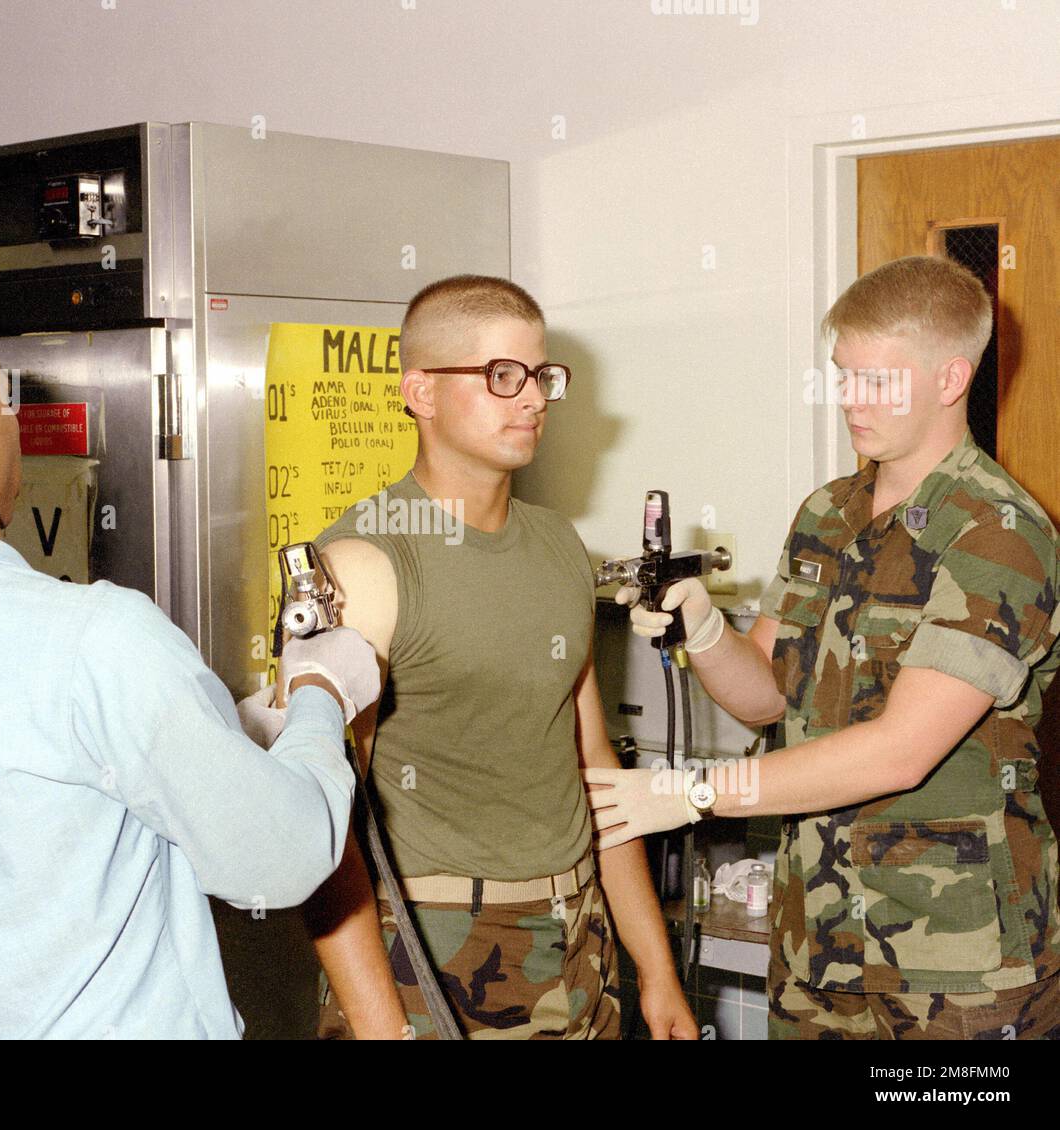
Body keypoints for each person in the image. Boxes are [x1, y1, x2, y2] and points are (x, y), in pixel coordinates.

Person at [0, 279, 379, 1038]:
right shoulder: (92, 635)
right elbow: (282, 857)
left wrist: (229, 735)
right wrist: (324, 690)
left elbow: (3, 852)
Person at [596, 255, 1060, 1039]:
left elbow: (899, 754)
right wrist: (705, 628)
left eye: (876, 380)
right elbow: (765, 697)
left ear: (951, 378)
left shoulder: (997, 535)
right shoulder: (829, 514)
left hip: (951, 969)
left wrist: (693, 794)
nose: (850, 399)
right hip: (816, 944)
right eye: (842, 374)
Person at [302, 274, 698, 1040]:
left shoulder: (557, 545)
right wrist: (384, 1029)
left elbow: (596, 773)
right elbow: (321, 818)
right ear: (419, 391)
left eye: (541, 376)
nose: (533, 399)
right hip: (431, 947)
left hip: (578, 945)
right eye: (500, 376)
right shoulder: (363, 563)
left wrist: (655, 968)